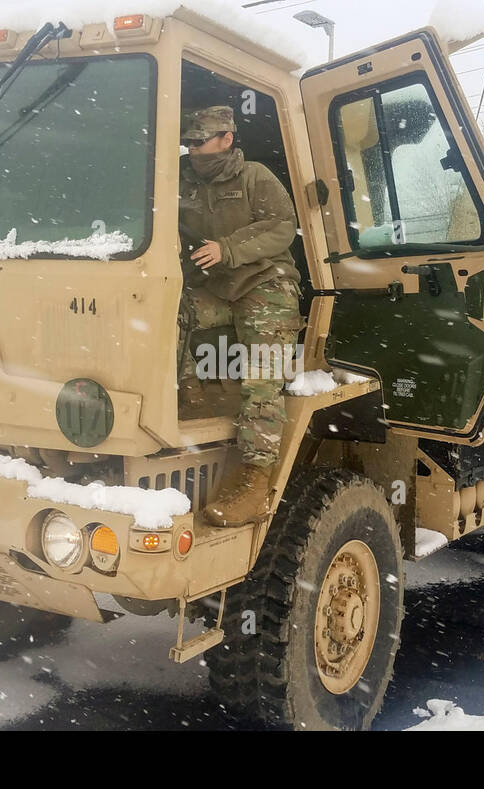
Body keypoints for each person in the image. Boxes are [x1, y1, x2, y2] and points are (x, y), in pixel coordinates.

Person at [175, 105, 303, 527]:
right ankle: (187, 395)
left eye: (202, 141)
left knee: (264, 369)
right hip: (213, 285)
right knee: (165, 312)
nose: (194, 149)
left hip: (264, 281)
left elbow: (281, 227)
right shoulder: (181, 178)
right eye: (189, 142)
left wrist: (228, 248)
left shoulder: (255, 178)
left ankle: (254, 479)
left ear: (227, 139)